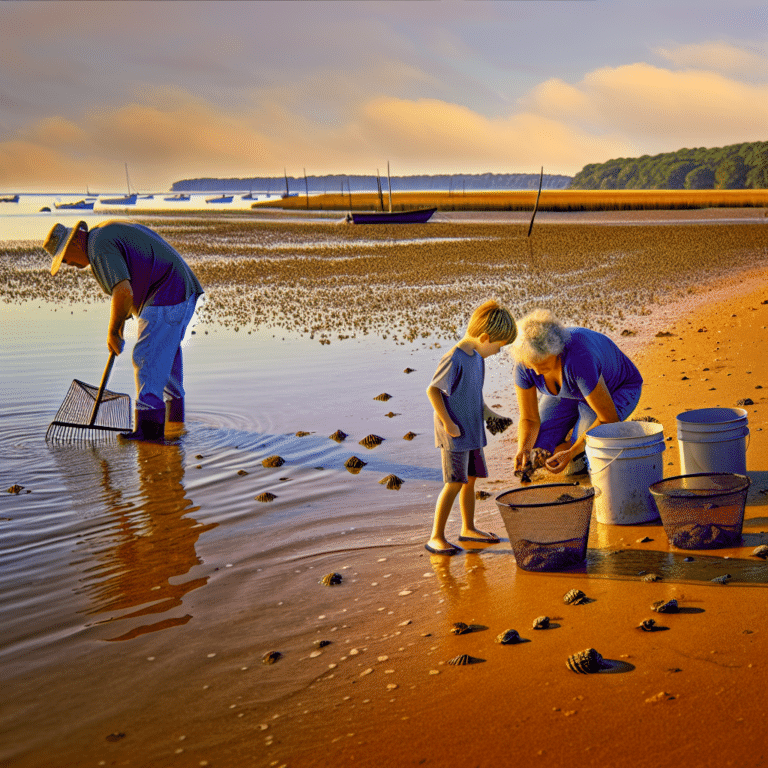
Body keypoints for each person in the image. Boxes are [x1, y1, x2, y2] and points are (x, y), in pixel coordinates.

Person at [44, 219, 204, 441]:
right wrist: (120, 326)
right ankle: (175, 427)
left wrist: (112, 331)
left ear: (76, 242)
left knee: (147, 358)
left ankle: (149, 435)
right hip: (181, 290)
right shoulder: (104, 235)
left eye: (66, 257)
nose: (69, 264)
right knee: (165, 364)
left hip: (166, 293)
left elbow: (123, 292)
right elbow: (130, 285)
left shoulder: (98, 247)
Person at [425, 299, 517, 556]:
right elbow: (433, 390)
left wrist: (490, 415)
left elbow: (474, 394)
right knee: (454, 482)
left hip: (473, 430)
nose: (499, 352)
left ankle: (468, 527)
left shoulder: (477, 359)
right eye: (499, 346)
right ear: (485, 336)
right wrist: (448, 423)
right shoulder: (454, 358)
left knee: (471, 480)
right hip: (454, 433)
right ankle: (436, 537)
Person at [511, 308, 642, 476]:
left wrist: (571, 450)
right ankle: (575, 430)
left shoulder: (579, 359)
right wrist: (523, 449)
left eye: (542, 365)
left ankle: (580, 437)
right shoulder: (524, 364)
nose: (536, 372)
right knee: (537, 449)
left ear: (557, 352)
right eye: (531, 365)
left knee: (573, 465)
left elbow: (608, 418)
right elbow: (529, 418)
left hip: (616, 388)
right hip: (569, 392)